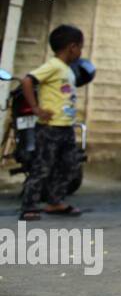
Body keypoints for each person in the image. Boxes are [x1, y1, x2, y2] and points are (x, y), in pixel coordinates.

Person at [18, 24, 85, 220]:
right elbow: (27, 81)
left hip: (65, 127)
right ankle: (29, 205)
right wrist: (36, 108)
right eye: (80, 47)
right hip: (50, 128)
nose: (81, 52)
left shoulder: (66, 69)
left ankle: (55, 202)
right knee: (43, 167)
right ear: (72, 47)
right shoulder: (53, 65)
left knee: (69, 164)